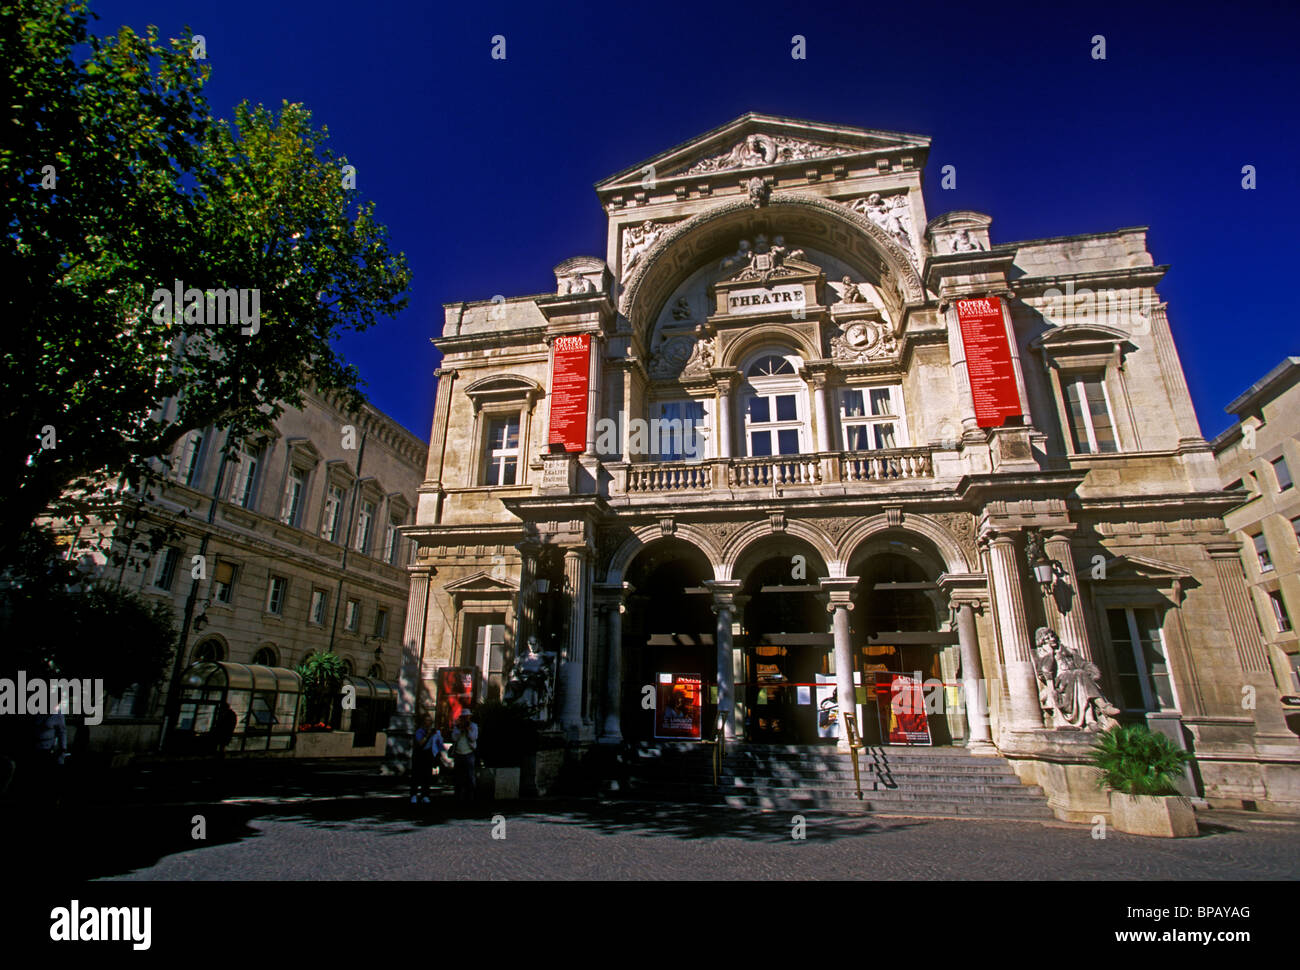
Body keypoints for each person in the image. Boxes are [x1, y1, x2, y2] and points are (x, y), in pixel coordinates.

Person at [410, 713, 442, 804]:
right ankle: (414, 795)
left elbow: (438, 744)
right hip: (419, 755)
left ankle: (425, 795)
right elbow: (420, 743)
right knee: (416, 775)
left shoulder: (433, 732)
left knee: (427, 775)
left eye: (430, 721)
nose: (428, 723)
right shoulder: (420, 731)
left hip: (428, 754)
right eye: (427, 721)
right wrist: (427, 735)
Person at [451, 711, 479, 805]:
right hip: (459, 754)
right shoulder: (457, 726)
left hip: (469, 753)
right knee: (458, 776)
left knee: (470, 776)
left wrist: (467, 730)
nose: (466, 719)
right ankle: (458, 796)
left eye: (467, 717)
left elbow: (473, 738)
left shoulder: (474, 726)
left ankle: (471, 797)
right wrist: (460, 729)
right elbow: (454, 738)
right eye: (464, 717)